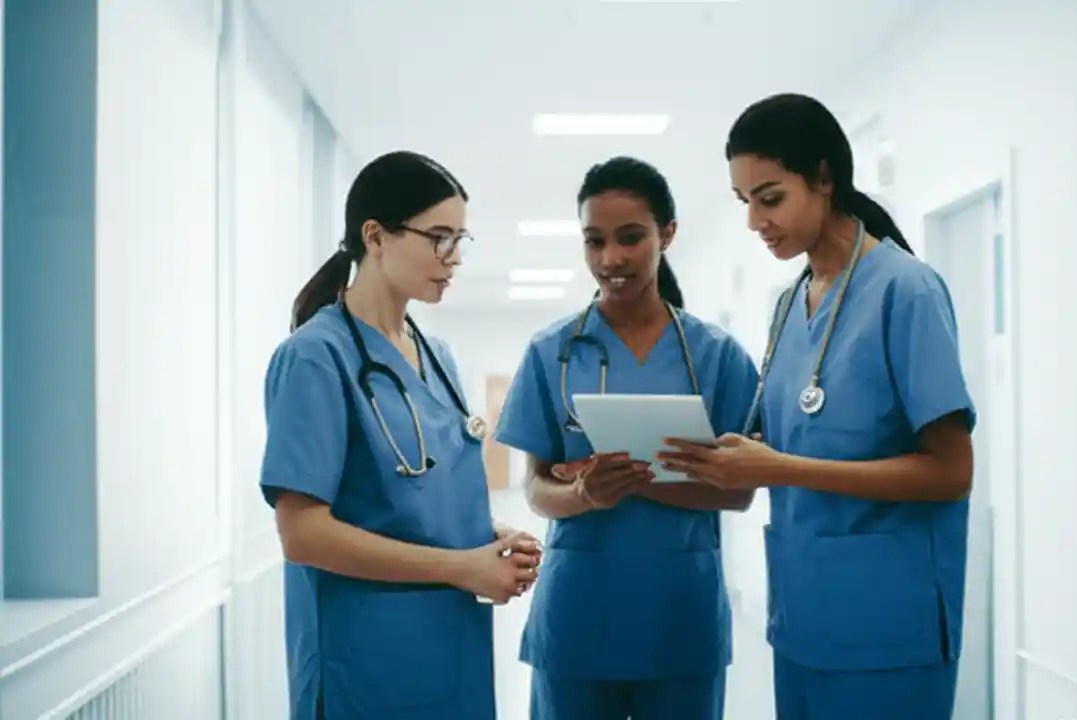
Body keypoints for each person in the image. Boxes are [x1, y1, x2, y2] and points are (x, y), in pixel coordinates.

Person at [659, 93, 977, 720]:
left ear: (825, 178)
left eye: (770, 197)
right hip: (803, 620)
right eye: (744, 201)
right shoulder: (789, 301)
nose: (754, 221)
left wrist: (778, 468)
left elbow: (951, 472)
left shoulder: (905, 290)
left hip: (887, 627)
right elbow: (781, 443)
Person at [259, 150, 543, 720]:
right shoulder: (316, 358)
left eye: (461, 239)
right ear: (376, 236)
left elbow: (410, 499)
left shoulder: (437, 358)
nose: (454, 257)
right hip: (363, 665)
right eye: (439, 237)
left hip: (448, 650)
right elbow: (303, 534)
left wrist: (487, 536)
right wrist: (463, 567)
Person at [494, 156, 761, 720]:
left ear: (667, 233)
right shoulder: (552, 354)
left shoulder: (716, 357)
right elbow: (539, 488)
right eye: (594, 241)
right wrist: (587, 495)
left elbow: (740, 492)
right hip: (578, 619)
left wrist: (631, 484)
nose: (610, 259)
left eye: (630, 237)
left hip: (679, 619)